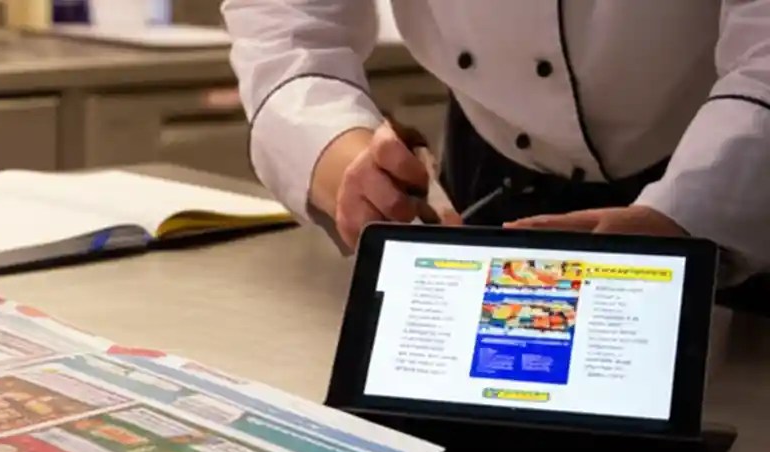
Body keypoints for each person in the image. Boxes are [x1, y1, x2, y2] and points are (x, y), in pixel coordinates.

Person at [222, 0, 770, 281]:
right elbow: (286, 28)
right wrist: (346, 164)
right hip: (491, 169)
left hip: (734, 175)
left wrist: (695, 209)